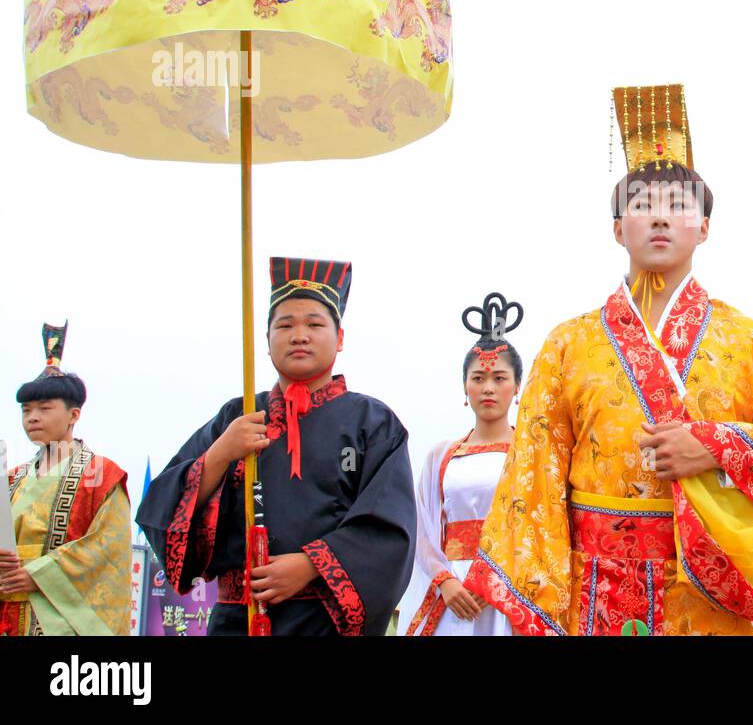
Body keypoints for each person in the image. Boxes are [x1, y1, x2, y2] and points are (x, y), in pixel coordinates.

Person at [464, 85, 753, 635]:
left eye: (678, 205)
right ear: (619, 228)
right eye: (641, 205)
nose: (660, 217)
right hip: (593, 593)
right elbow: (533, 482)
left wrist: (714, 448)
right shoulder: (567, 346)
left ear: (704, 227)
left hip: (708, 590)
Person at [136, 258, 417, 635]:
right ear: (266, 341)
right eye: (284, 325)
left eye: (314, 324)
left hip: (323, 622)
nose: (298, 335)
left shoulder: (373, 423)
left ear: (340, 337)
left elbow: (388, 531)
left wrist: (309, 565)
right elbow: (161, 509)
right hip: (237, 620)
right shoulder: (237, 417)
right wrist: (221, 453)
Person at [0, 323, 130, 635]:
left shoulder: (102, 476)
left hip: (61, 621)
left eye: (44, 408)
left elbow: (107, 550)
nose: (32, 417)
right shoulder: (11, 479)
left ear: (74, 415)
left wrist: (40, 575)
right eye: (26, 410)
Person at [405, 293, 522, 636]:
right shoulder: (441, 455)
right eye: (478, 378)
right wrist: (444, 581)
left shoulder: (533, 454)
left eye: (499, 378)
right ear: (465, 386)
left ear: (517, 386)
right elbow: (423, 528)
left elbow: (540, 527)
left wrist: (494, 580)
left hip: (510, 586)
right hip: (452, 590)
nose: (488, 388)